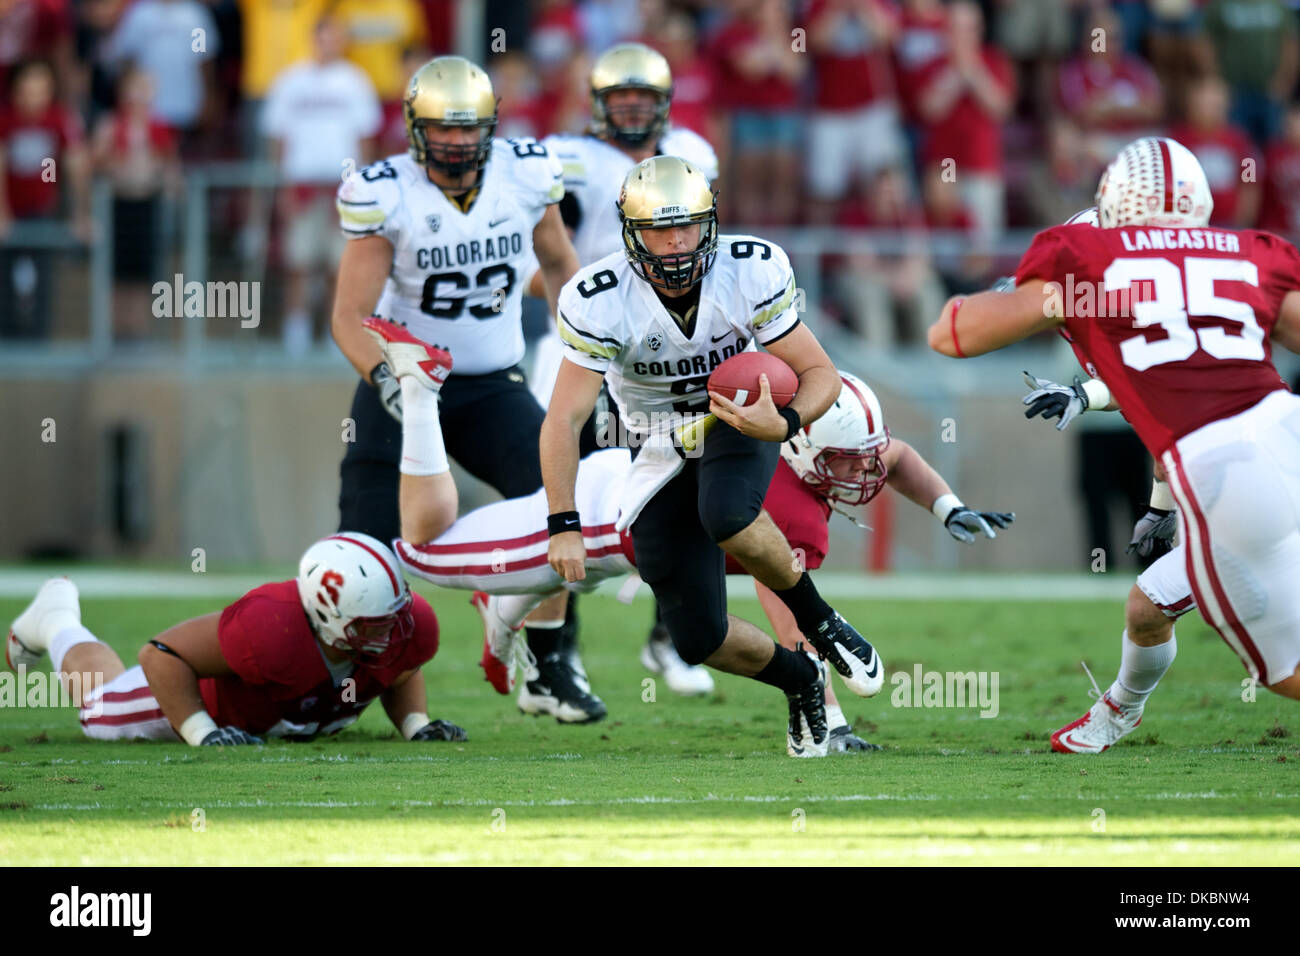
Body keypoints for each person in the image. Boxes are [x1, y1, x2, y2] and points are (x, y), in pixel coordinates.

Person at [392, 368, 1011, 755]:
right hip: (606, 518)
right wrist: (836, 718)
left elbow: (896, 455)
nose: (864, 472)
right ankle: (419, 393)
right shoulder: (785, 503)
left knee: (580, 587)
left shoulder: (815, 449)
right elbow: (790, 616)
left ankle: (503, 617)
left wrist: (948, 507)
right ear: (798, 445)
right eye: (849, 462)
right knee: (423, 554)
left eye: (862, 457)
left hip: (637, 525)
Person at [929, 136, 1300, 703]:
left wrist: (1012, 297)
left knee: (1284, 674)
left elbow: (951, 334)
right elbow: (1185, 386)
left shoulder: (1088, 259)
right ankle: (1117, 710)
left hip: (1232, 479)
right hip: (1285, 430)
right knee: (1153, 605)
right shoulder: (1250, 249)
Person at [540, 155, 880, 759]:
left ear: (710, 221)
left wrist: (787, 420)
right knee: (699, 638)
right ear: (629, 231)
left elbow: (819, 371)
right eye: (658, 231)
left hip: (739, 416)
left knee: (727, 513)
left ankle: (822, 622)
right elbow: (564, 418)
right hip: (656, 444)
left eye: (687, 227)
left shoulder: (750, 269)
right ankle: (802, 681)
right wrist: (563, 522)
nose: (675, 245)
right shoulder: (598, 297)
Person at [331, 56, 585, 717]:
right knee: (364, 547)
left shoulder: (526, 174)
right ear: (415, 129)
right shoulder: (386, 191)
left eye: (467, 128)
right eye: (441, 129)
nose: (454, 142)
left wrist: (586, 348)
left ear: (490, 126)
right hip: (408, 385)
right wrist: (391, 380)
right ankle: (342, 688)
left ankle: (551, 665)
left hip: (493, 382)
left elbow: (559, 263)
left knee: (561, 503)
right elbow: (348, 315)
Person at [524, 41, 720, 706]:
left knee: (684, 479)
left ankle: (672, 633)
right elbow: (549, 250)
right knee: (560, 482)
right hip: (587, 337)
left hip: (667, 345)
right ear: (598, 103)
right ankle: (558, 646)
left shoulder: (692, 150)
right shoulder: (569, 158)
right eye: (620, 97)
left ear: (665, 101)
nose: (632, 108)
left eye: (643, 96)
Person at [4, 534, 464, 745]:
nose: (395, 631)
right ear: (328, 616)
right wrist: (203, 732)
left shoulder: (405, 625)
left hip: (277, 719)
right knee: (98, 711)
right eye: (375, 624)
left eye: (395, 616)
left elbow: (400, 666)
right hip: (205, 703)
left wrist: (416, 724)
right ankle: (57, 616)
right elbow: (161, 654)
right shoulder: (273, 629)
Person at [263, 13, 381, 354]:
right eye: (324, 36)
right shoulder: (291, 80)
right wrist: (281, 185)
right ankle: (295, 333)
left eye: (335, 36)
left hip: (342, 190)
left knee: (339, 266)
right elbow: (278, 138)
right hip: (301, 185)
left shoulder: (356, 81)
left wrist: (363, 190)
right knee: (298, 262)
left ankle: (335, 334)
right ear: (314, 38)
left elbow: (365, 139)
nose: (329, 43)